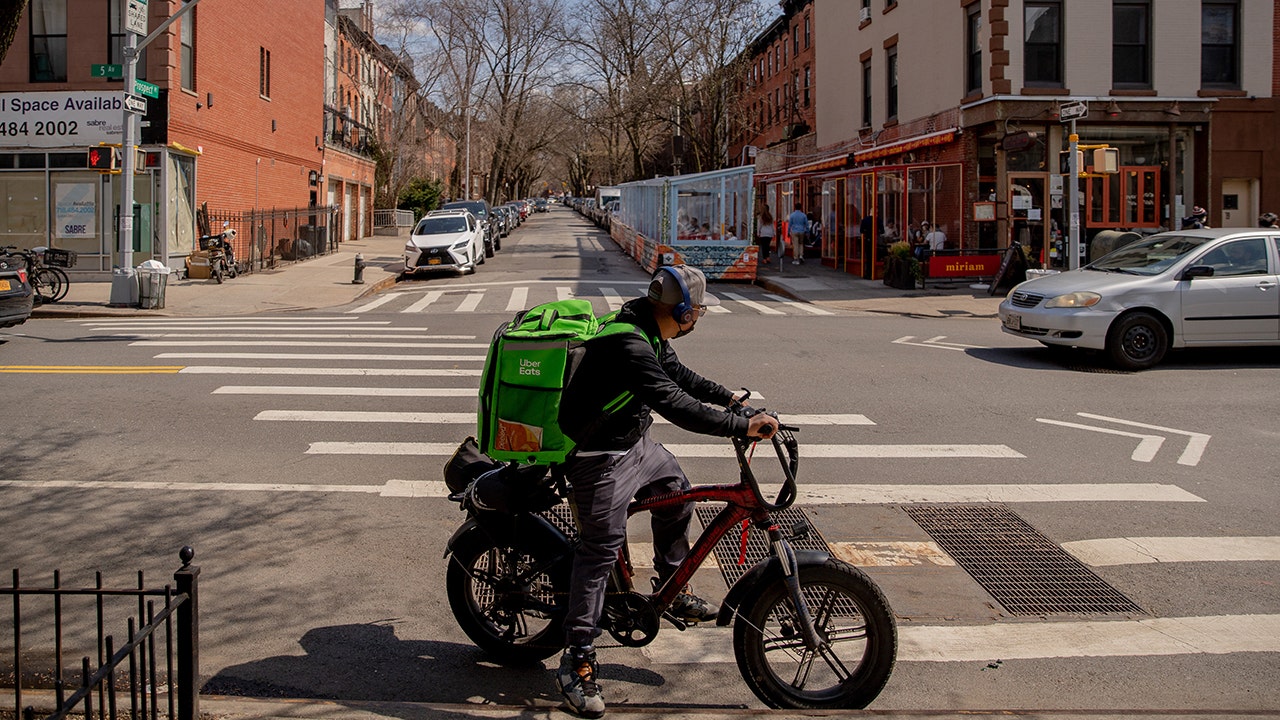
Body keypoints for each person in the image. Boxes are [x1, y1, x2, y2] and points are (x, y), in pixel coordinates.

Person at [553, 265, 780, 718]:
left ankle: (671, 587)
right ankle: (576, 658)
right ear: (680, 310)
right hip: (600, 457)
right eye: (696, 309)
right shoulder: (629, 342)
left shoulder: (648, 329)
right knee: (600, 550)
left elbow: (680, 375)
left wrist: (731, 400)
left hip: (633, 443)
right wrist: (742, 427)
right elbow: (673, 402)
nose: (699, 316)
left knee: (677, 491)